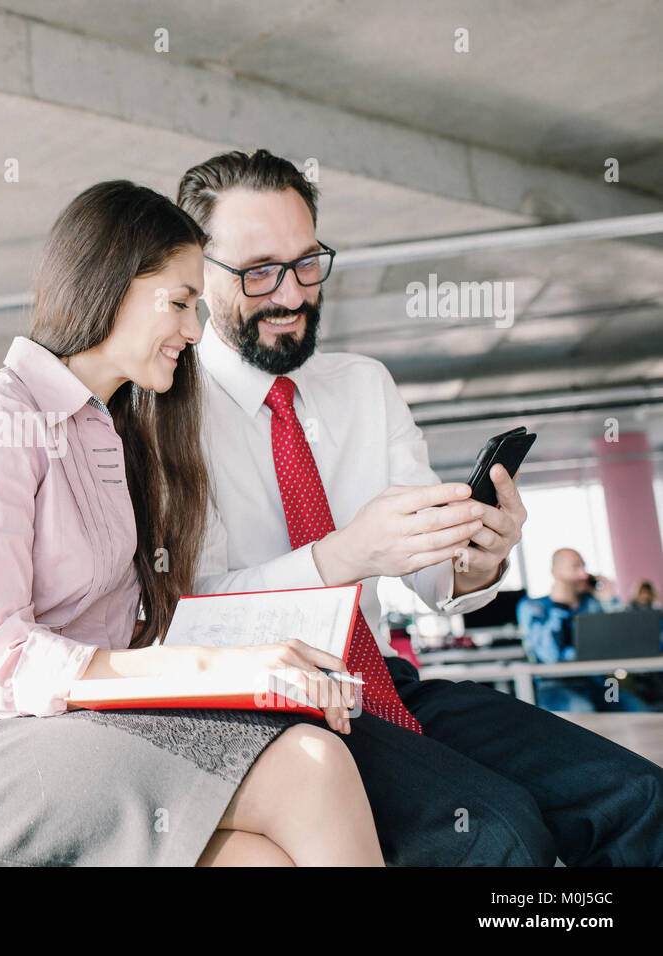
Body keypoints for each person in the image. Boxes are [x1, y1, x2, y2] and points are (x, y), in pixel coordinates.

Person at [0, 180, 383, 866]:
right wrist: (211, 665)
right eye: (178, 302)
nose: (196, 331)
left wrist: (252, 668)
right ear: (104, 287)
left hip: (73, 733)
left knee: (263, 855)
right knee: (310, 765)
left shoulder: (117, 434)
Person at [178, 148, 663, 866]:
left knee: (639, 799)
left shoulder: (363, 386)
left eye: (307, 263)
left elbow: (431, 574)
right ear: (196, 273)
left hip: (383, 680)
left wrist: (474, 559)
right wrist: (345, 555)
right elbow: (185, 611)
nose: (291, 294)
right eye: (258, 272)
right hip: (266, 706)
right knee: (495, 838)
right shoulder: (164, 410)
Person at [517, 549, 653, 712]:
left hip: (601, 684)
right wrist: (560, 607)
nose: (583, 574)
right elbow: (549, 656)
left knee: (636, 709)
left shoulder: (592, 603)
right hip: (556, 685)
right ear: (555, 573)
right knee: (582, 711)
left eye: (584, 567)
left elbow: (623, 641)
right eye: (575, 568)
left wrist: (609, 601)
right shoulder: (532, 607)